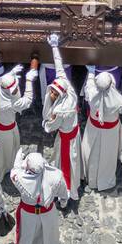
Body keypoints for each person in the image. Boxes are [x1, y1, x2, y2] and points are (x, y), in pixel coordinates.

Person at [8, 151, 69, 244]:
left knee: (27, 240)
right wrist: (63, 203)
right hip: (48, 213)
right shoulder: (56, 176)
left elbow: (14, 170)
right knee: (48, 236)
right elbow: (63, 193)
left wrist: (18, 158)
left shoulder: (19, 178)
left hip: (28, 214)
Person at [82, 65, 122, 190]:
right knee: (107, 156)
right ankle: (104, 179)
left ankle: (89, 176)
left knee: (91, 153)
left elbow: (89, 84)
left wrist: (90, 71)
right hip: (110, 132)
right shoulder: (117, 100)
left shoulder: (91, 92)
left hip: (93, 128)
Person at [42, 34, 82, 202]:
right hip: (74, 132)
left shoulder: (60, 110)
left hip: (66, 140)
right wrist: (54, 46)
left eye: (53, 93)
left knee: (66, 165)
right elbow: (59, 67)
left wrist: (47, 119)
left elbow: (49, 127)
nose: (51, 94)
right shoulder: (69, 89)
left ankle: (65, 194)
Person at [0, 64, 38, 179]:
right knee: (5, 152)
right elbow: (28, 99)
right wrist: (29, 80)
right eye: (14, 89)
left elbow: (1, 81)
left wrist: (10, 74)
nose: (16, 90)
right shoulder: (12, 103)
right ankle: (6, 168)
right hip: (5, 133)